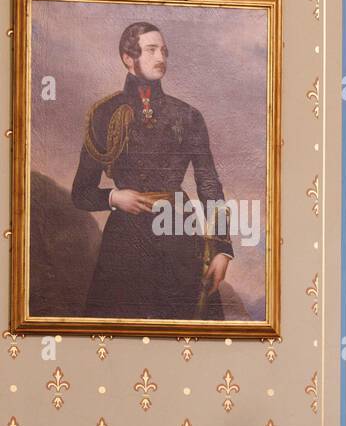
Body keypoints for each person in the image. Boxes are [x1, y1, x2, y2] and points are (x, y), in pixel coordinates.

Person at [71, 21, 233, 319]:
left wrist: (222, 249)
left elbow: (209, 185)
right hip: (125, 242)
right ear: (127, 58)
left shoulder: (188, 115)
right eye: (151, 50)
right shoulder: (104, 114)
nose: (161, 58)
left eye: (164, 51)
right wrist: (114, 198)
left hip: (179, 233)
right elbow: (80, 194)